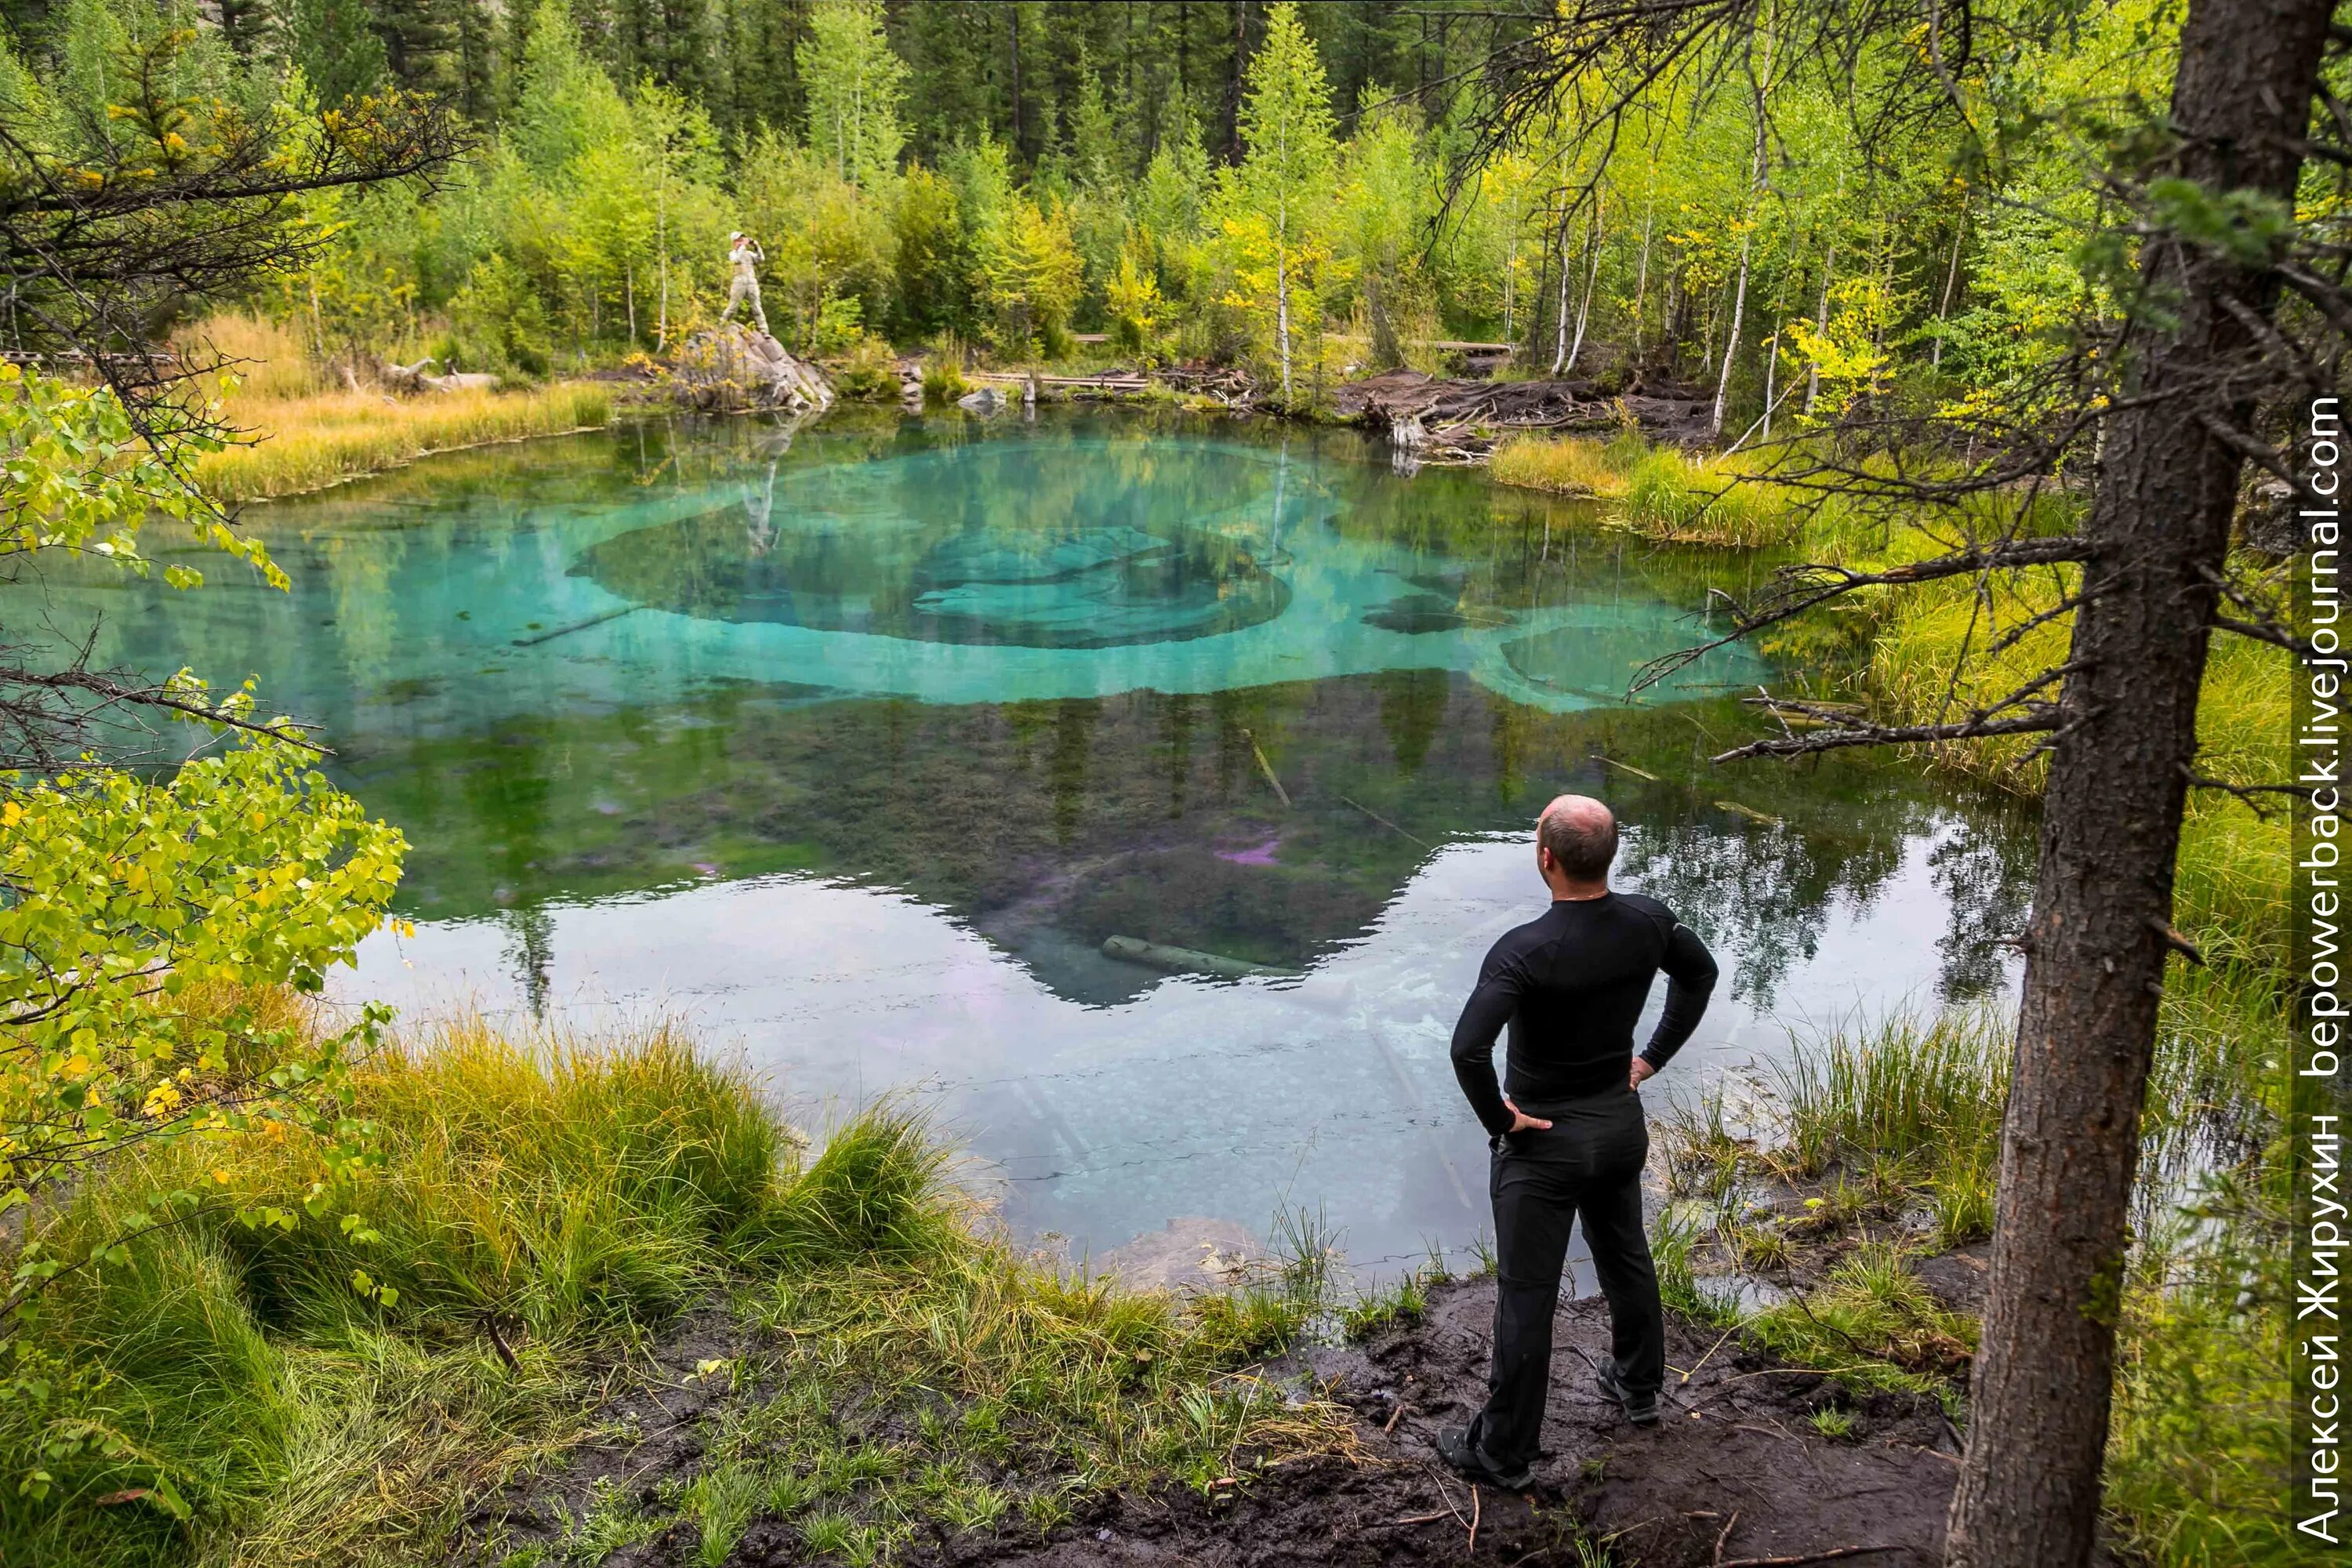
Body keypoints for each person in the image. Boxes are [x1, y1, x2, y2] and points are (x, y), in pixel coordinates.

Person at [1439, 793, 1719, 1490]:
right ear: (1610, 854)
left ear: (1545, 859)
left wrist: (1502, 1122)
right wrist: (1650, 1059)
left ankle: (1503, 1451)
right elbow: (1700, 973)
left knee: (1528, 1293)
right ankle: (1639, 1388)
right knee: (1626, 1257)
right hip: (1618, 1128)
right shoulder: (1647, 921)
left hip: (1544, 1145)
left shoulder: (1525, 950)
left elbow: (1468, 1050)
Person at [722, 231, 768, 335]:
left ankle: (764, 331)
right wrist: (742, 247)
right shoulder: (732, 254)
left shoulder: (749, 254)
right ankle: (722, 325)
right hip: (738, 283)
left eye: (742, 240)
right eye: (739, 240)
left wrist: (756, 246)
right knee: (733, 307)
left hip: (751, 283)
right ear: (734, 242)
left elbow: (761, 259)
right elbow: (737, 259)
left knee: (757, 307)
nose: (742, 242)